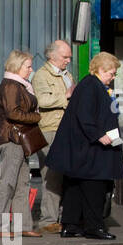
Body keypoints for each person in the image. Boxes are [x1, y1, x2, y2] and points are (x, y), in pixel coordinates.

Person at [45, 52, 123, 240]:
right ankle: (93, 226)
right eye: (111, 73)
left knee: (75, 187)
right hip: (90, 150)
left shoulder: (90, 84)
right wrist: (99, 135)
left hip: (81, 150)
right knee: (94, 189)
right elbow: (85, 115)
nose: (113, 78)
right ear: (101, 69)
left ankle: (71, 225)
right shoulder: (91, 86)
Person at [0, 50, 43, 238]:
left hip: (20, 139)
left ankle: (23, 225)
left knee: (23, 182)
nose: (31, 70)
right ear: (17, 66)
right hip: (11, 138)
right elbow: (13, 113)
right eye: (28, 66)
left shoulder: (21, 85)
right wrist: (36, 117)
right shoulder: (11, 85)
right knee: (8, 181)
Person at [30, 40, 74, 233]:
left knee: (66, 174)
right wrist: (65, 96)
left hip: (66, 129)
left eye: (69, 57)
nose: (68, 60)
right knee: (52, 175)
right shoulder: (41, 75)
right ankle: (48, 219)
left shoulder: (66, 74)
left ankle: (63, 216)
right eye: (65, 57)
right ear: (52, 56)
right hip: (50, 129)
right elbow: (41, 100)